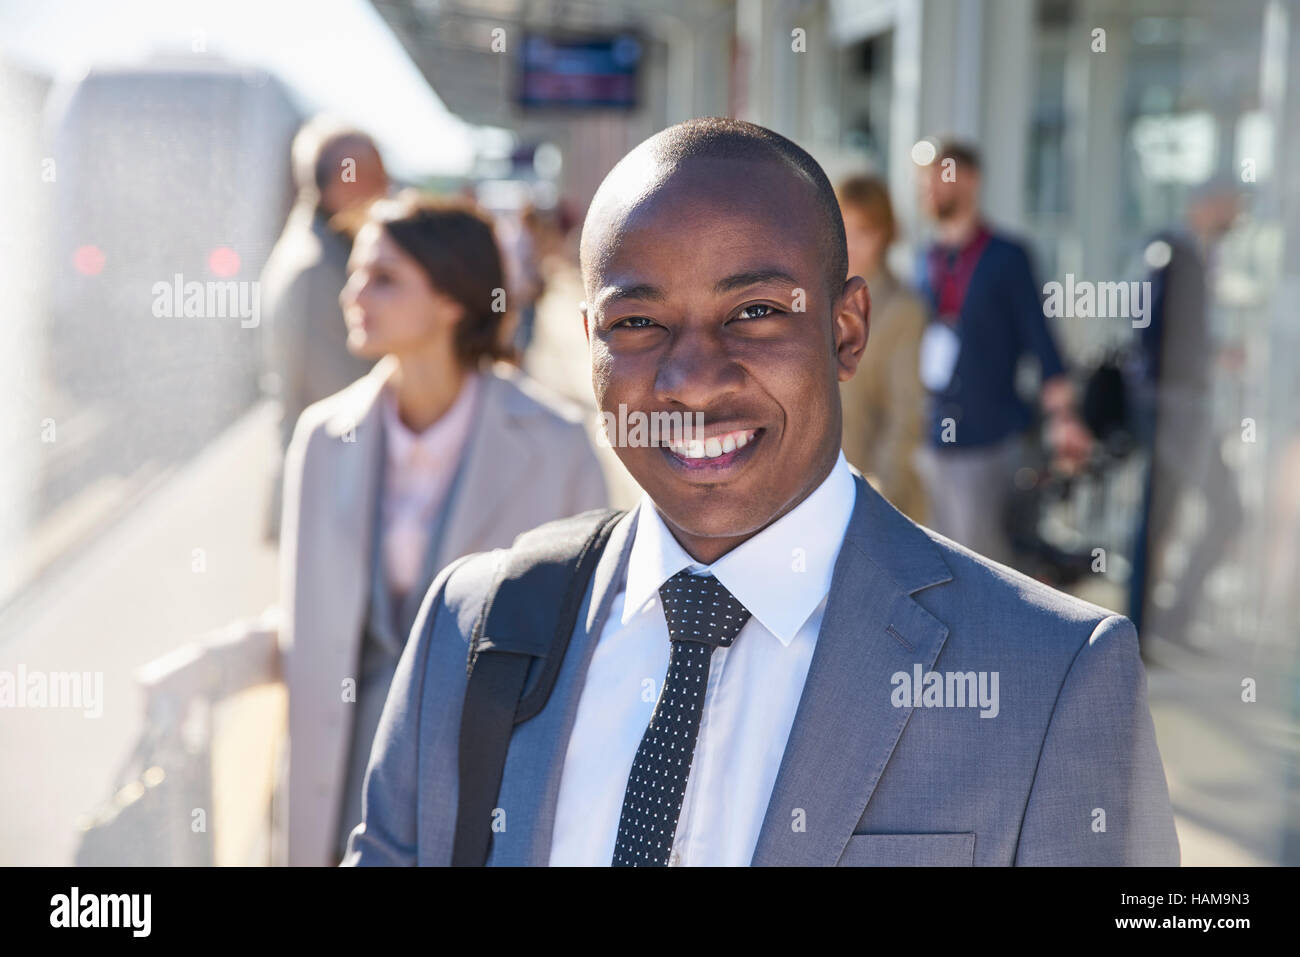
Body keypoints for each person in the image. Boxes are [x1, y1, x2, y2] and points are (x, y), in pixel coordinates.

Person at [343, 118, 1178, 866]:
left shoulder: (1051, 675)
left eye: (754, 313)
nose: (695, 382)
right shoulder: (471, 628)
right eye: (639, 323)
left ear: (846, 330)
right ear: (590, 345)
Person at [138, 190, 609, 866]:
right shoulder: (325, 437)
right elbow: (315, 627)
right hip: (336, 798)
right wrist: (203, 669)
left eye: (382, 278)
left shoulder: (556, 446)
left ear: (452, 300)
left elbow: (587, 647)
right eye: (357, 272)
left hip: (485, 803)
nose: (353, 293)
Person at [912, 141, 1092, 566]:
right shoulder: (925, 261)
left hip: (988, 438)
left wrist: (1063, 417)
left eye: (941, 176)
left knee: (983, 566)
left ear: (970, 180)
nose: (929, 189)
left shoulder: (1007, 257)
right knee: (935, 563)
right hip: (931, 439)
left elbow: (1041, 341)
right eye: (924, 179)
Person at [259, 117, 390, 543]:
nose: (384, 189)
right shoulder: (316, 269)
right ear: (339, 184)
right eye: (373, 176)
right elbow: (344, 401)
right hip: (328, 504)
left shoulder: (318, 251)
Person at [1129, 177, 1245, 648]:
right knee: (1169, 515)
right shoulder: (1171, 250)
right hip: (1172, 407)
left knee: (1194, 513)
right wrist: (1157, 394)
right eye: (1230, 206)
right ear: (1206, 205)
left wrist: (1211, 354)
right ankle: (1144, 626)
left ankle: (1160, 624)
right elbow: (1147, 327)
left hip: (1183, 406)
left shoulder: (1192, 253)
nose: (1235, 217)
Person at [835, 175, 927, 522]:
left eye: (864, 231)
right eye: (842, 229)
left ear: (885, 235)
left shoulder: (903, 309)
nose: (851, 244)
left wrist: (878, 496)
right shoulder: (808, 299)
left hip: (871, 497)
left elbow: (906, 416)